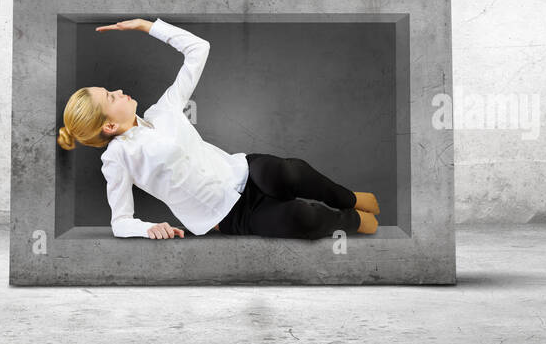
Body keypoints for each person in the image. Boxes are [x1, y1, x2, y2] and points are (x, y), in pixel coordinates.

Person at [56, 17, 379, 240]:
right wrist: (148, 228)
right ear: (109, 124)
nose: (119, 91)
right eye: (111, 96)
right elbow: (121, 223)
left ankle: (349, 198)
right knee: (302, 219)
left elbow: (198, 49)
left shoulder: (163, 109)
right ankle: (352, 220)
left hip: (242, 171)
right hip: (226, 215)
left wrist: (147, 26)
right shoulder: (118, 158)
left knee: (289, 173)